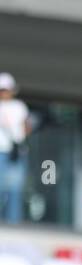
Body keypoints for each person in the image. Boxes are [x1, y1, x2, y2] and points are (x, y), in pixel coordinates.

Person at [0, 73, 30, 224]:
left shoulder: (19, 107)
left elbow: (26, 127)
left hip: (15, 153)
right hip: (1, 152)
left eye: (6, 89)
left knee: (14, 190)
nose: (4, 93)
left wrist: (20, 142)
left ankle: (13, 224)